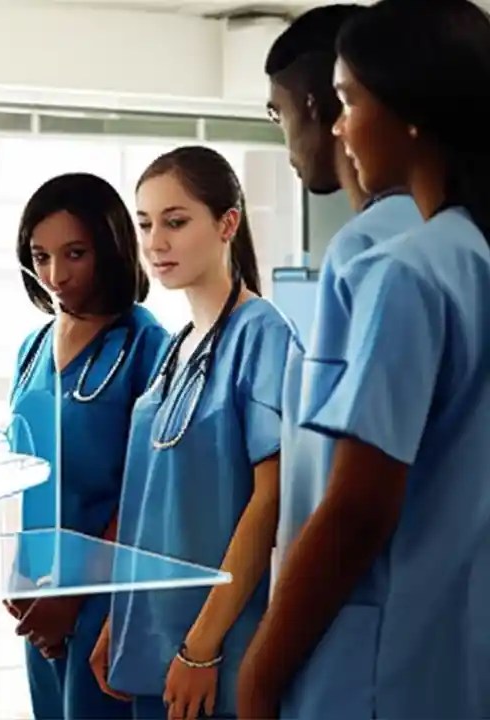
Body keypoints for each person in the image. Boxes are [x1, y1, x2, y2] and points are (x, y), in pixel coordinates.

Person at [238, 1, 490, 717]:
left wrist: (260, 672)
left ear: (409, 111)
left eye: (349, 102)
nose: (341, 126)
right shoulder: (470, 253)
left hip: (376, 661)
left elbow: (358, 507)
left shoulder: (409, 271)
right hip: (454, 648)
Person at [90, 146, 296, 720]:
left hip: (210, 656)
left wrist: (201, 647)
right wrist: (120, 621)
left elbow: (270, 500)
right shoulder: (176, 348)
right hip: (151, 648)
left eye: (175, 222)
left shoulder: (262, 335)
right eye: (146, 224)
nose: (156, 242)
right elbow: (152, 508)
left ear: (227, 222)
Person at [263, 3, 425, 586]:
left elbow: (351, 500)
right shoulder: (420, 240)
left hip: (352, 611)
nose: (285, 140)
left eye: (277, 113)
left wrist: (263, 666)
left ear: (316, 103)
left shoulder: (375, 254)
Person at [5, 173, 168, 720]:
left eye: (74, 254)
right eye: (40, 256)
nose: (56, 276)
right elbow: (20, 473)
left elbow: (148, 494)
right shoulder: (31, 348)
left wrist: (72, 602)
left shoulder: (146, 345)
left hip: (106, 603)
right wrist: (24, 584)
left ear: (111, 246)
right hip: (39, 603)